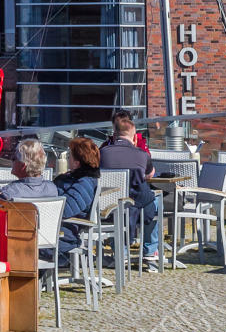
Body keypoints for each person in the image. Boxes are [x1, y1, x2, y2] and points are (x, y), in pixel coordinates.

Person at [99, 110, 160, 270]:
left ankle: (121, 252)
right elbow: (150, 174)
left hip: (108, 206)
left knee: (117, 207)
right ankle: (150, 252)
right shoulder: (142, 154)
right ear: (134, 137)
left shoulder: (102, 152)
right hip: (135, 203)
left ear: (115, 132)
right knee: (155, 201)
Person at [54, 136, 101, 260]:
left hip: (65, 234)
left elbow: (66, 208)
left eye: (70, 156)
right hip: (59, 228)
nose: (68, 159)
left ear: (76, 162)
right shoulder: (75, 179)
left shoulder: (85, 183)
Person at [0, 137, 59, 203]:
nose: (11, 160)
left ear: (23, 165)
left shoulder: (9, 193)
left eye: (14, 158)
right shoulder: (52, 189)